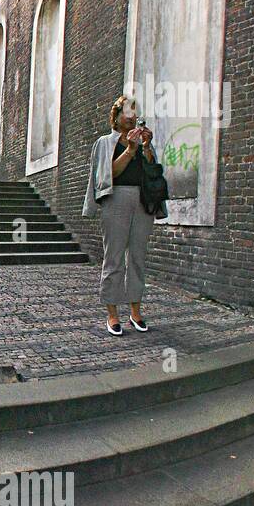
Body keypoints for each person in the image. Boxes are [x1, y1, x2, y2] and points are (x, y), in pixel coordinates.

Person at [90, 95, 167, 334]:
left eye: (134, 112)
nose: (132, 116)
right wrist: (131, 150)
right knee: (113, 258)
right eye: (127, 112)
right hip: (116, 199)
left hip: (142, 199)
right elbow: (108, 175)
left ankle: (135, 311)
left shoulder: (141, 141)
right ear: (116, 116)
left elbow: (153, 171)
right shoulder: (105, 142)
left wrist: (146, 148)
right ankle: (112, 314)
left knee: (137, 257)